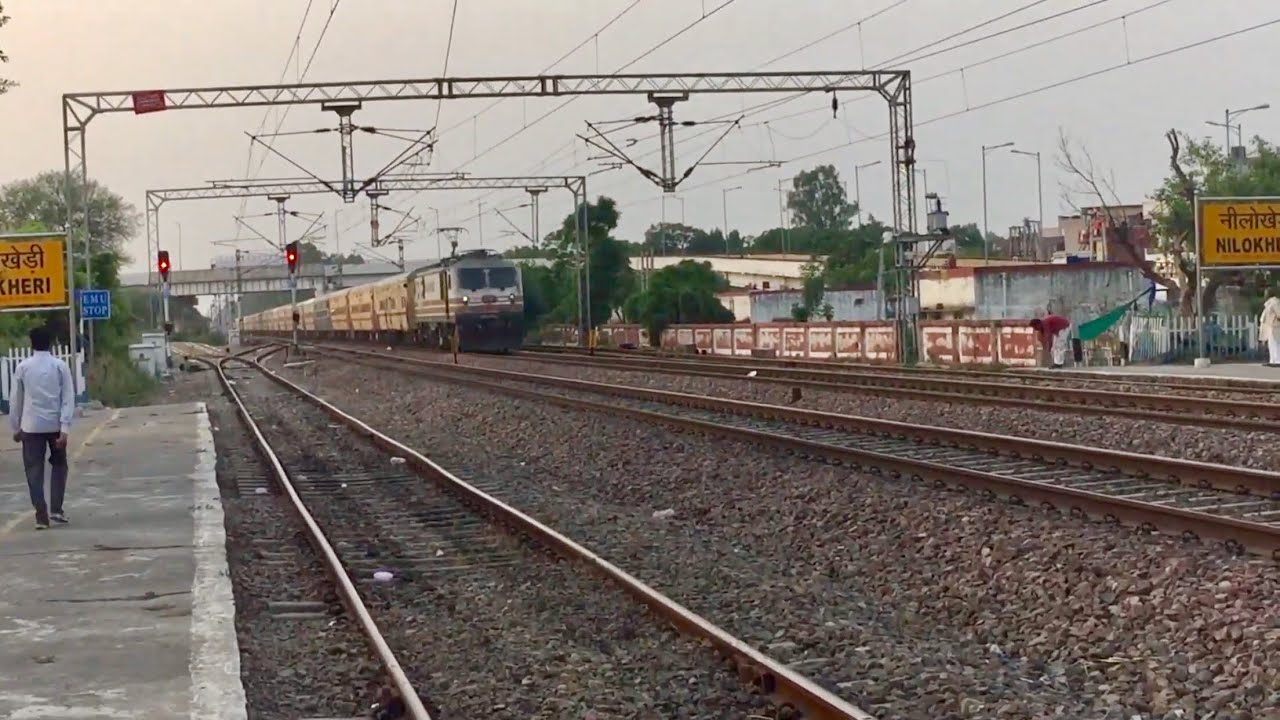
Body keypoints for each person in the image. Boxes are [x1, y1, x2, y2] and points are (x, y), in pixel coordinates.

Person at [9, 326, 75, 530]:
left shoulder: (23, 367)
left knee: (33, 471)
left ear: (31, 343)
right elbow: (68, 398)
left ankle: (41, 516)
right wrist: (65, 428)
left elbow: (15, 400)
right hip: (55, 426)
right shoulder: (60, 366)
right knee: (59, 466)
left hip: (30, 426)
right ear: (52, 343)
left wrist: (16, 427)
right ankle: (56, 509)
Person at [1259, 296, 1280, 367]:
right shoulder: (1270, 302)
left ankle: (1277, 360)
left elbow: (1279, 313)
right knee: (1271, 343)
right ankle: (1273, 360)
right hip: (1270, 325)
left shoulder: (1275, 302)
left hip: (1275, 325)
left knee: (1276, 343)